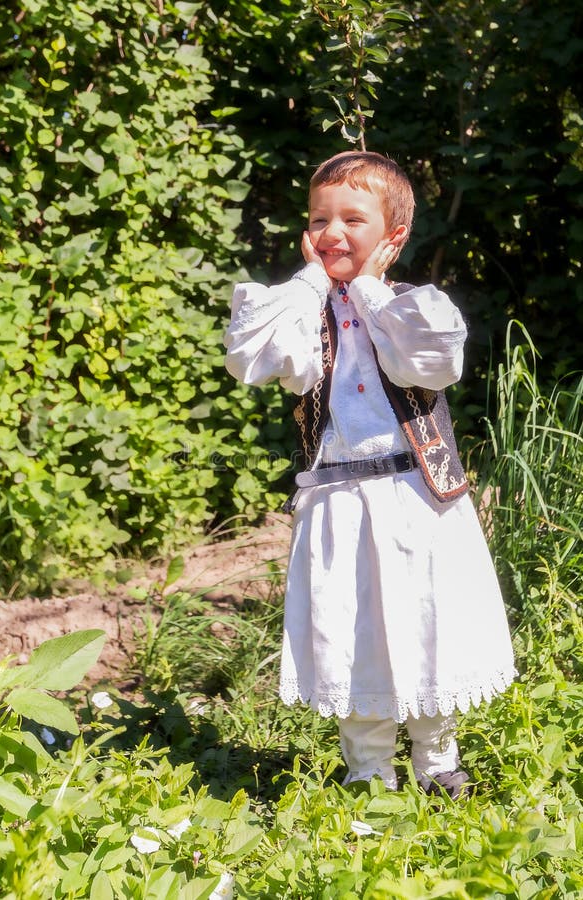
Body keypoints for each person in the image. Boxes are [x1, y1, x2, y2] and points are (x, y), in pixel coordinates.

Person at [224, 150, 515, 798]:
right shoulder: (305, 318)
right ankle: (368, 772)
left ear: (393, 236)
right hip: (341, 503)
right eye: (319, 218)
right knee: (352, 632)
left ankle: (438, 760)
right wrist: (309, 282)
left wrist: (370, 288)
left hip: (420, 498)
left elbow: (430, 362)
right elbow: (247, 354)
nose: (332, 233)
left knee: (431, 623)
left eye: (352, 219)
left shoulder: (412, 309)